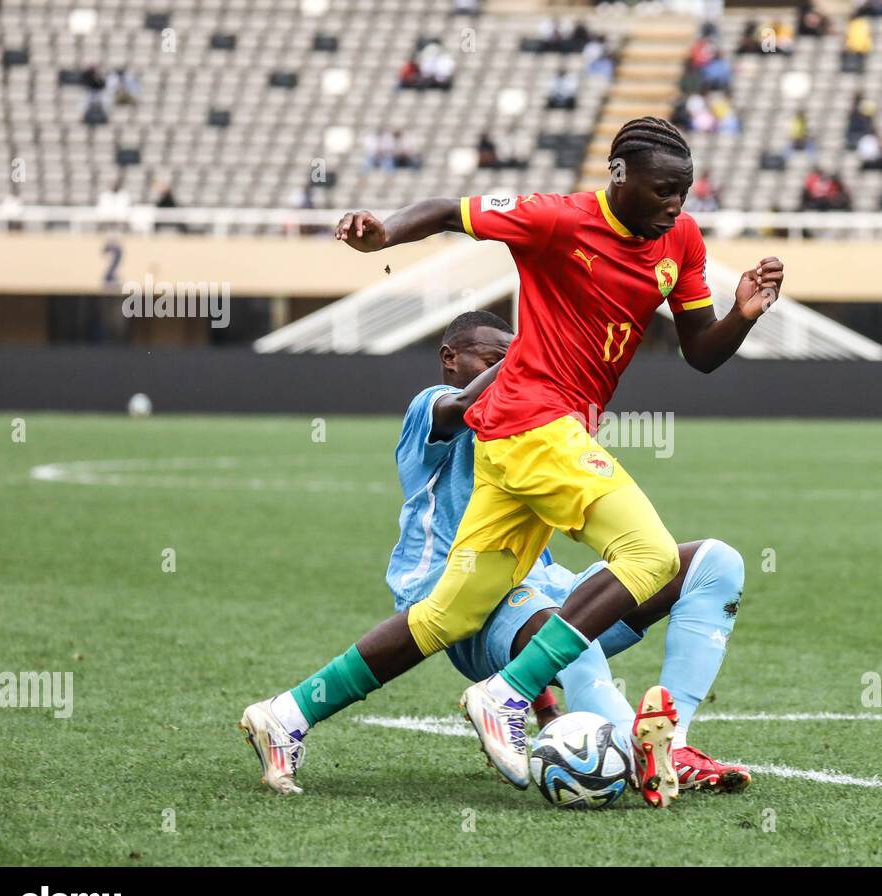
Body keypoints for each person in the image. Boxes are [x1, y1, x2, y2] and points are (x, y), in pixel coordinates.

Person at [303, 118, 782, 802]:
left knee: (449, 617)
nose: (677, 204)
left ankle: (285, 717)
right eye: (663, 189)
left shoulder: (682, 239)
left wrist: (744, 315)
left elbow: (701, 349)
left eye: (685, 190)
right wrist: (384, 232)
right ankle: (514, 693)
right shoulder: (557, 219)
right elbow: (450, 210)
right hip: (536, 424)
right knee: (644, 556)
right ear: (619, 177)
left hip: (544, 437)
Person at [241, 311, 752, 803]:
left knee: (715, 563)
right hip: (457, 586)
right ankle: (635, 752)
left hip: (540, 586)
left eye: (516, 358)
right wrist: (537, 350)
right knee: (569, 636)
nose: (511, 368)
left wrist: (546, 706)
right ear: (449, 357)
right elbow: (463, 404)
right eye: (493, 358)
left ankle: (674, 745)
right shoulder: (432, 404)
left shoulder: (535, 420)